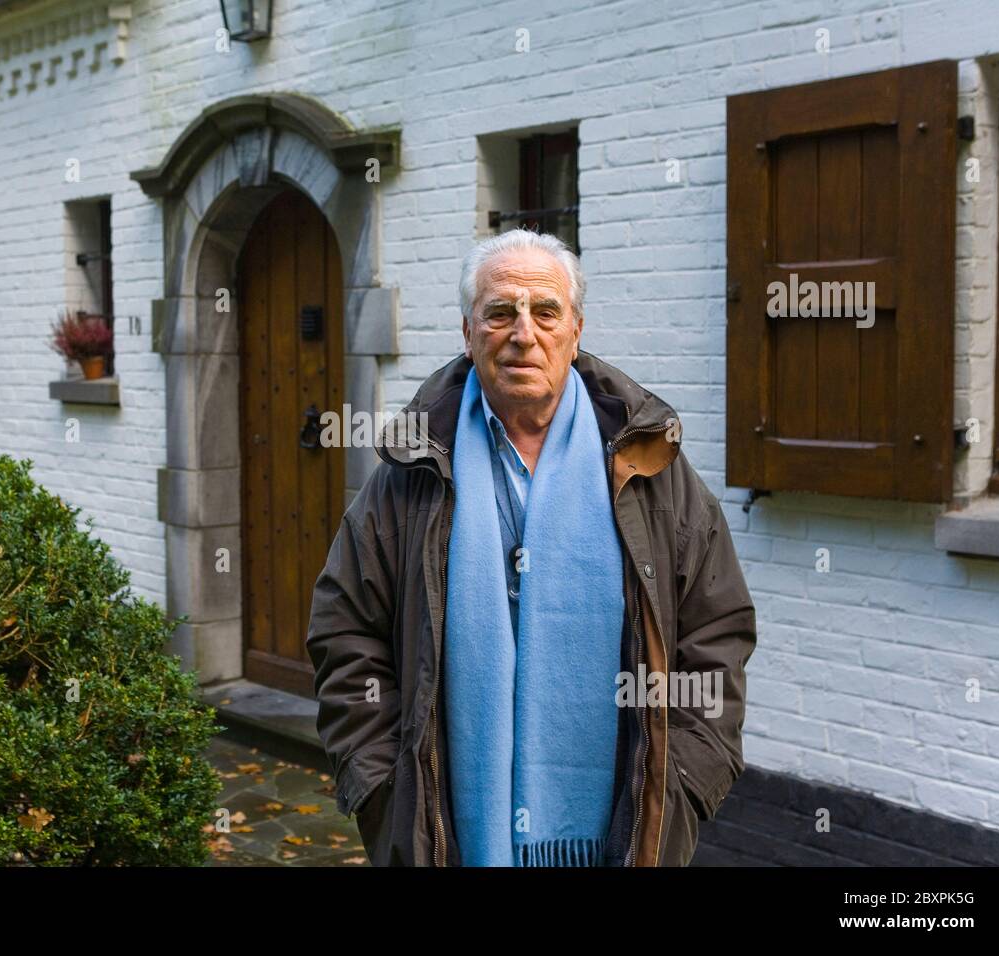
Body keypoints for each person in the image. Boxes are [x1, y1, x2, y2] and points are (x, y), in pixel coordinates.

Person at [306, 228, 756, 866]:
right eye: (499, 312)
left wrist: (681, 783)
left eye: (545, 311)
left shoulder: (647, 466)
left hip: (617, 836)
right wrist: (384, 791)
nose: (524, 332)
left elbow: (718, 630)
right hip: (450, 835)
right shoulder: (412, 470)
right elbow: (345, 630)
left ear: (575, 331)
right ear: (468, 332)